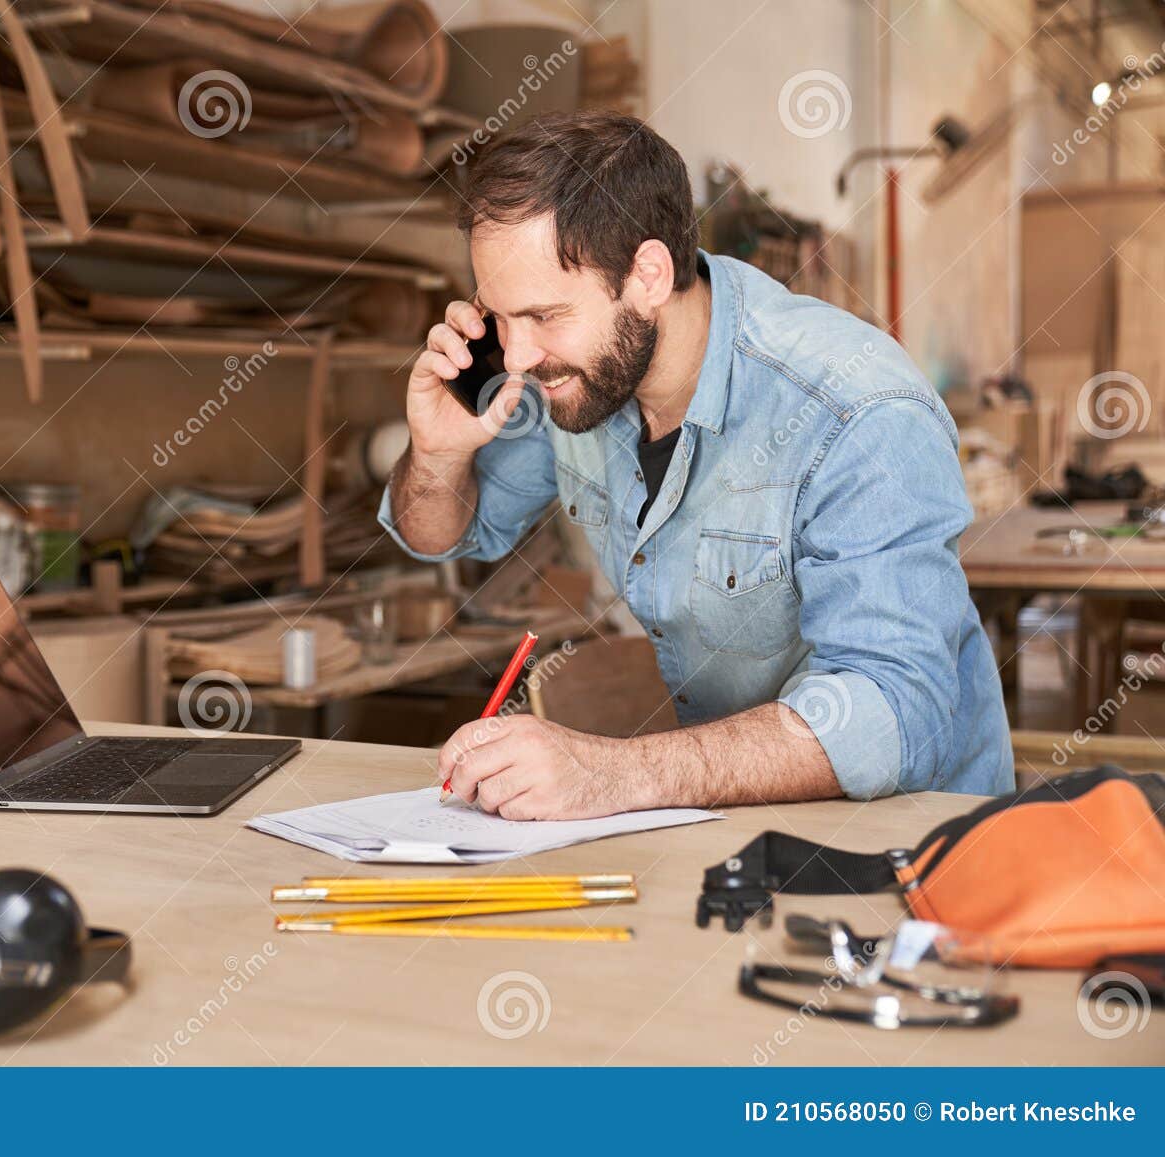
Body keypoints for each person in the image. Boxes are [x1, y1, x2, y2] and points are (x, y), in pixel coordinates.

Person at [380, 110, 1012, 820]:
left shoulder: (856, 409)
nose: (518, 355)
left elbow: (895, 713)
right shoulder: (575, 377)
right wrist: (437, 454)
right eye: (499, 317)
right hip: (733, 814)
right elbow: (440, 534)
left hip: (913, 837)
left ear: (648, 274)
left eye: (545, 316)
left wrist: (614, 772)